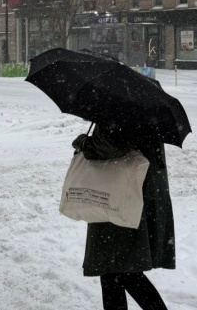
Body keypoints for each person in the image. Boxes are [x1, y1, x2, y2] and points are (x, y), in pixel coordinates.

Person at [72, 122, 173, 310]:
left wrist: (84, 143)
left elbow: (109, 146)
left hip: (119, 196)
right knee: (114, 270)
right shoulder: (143, 107)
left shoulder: (119, 108)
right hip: (134, 192)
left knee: (121, 269)